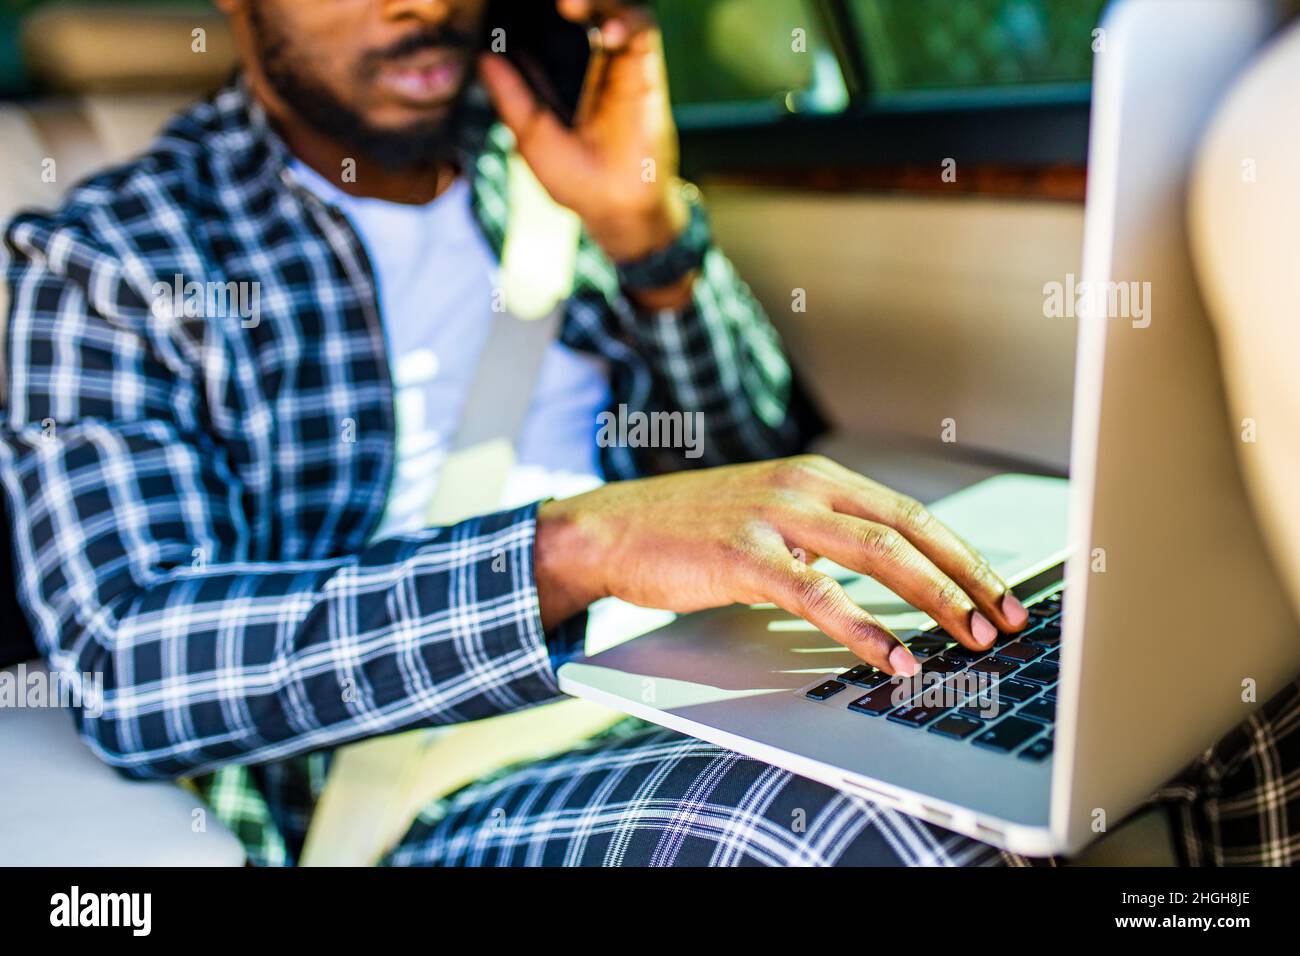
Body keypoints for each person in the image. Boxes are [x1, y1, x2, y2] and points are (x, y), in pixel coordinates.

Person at [0, 0, 1294, 866]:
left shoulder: (540, 166)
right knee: (891, 837)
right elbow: (128, 662)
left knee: (1226, 688)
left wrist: (645, 233)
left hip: (735, 675)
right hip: (412, 785)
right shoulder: (108, 259)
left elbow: (757, 445)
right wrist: (572, 551)